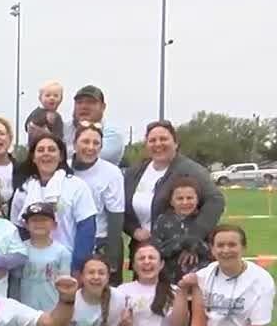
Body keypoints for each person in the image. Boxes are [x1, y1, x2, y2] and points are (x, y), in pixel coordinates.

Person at [125, 120, 223, 272]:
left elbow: (215, 201)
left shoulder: (190, 170)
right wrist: (133, 230)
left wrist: (193, 238)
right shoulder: (134, 172)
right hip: (145, 254)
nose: (158, 144)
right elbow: (121, 207)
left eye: (163, 139)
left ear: (176, 143)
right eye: (152, 140)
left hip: (181, 258)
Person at [7, 133, 98, 272]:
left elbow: (86, 229)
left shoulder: (77, 186)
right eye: (41, 150)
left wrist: (77, 268)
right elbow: (17, 229)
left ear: (61, 156)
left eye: (51, 149)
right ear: (33, 157)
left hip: (67, 261)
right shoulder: (23, 190)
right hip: (31, 265)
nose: (46, 154)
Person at [16, 202, 72, 326]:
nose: (39, 224)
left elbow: (65, 282)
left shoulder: (61, 252)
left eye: (44, 220)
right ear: (26, 225)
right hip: (26, 308)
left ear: (54, 225)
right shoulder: (20, 250)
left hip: (50, 308)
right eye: (34, 221)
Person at [71, 124, 126, 280]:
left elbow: (116, 216)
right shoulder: (64, 168)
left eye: (96, 143)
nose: (90, 147)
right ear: (75, 144)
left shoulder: (111, 172)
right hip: (69, 239)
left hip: (99, 240)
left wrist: (112, 257)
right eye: (85, 142)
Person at [152, 176, 212, 285]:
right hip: (170, 282)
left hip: (202, 281)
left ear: (197, 199)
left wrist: (194, 245)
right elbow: (157, 251)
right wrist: (182, 242)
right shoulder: (162, 221)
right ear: (171, 201)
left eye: (189, 198)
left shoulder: (205, 221)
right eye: (180, 198)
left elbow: (214, 252)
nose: (185, 202)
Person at [63, 85, 125, 165]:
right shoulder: (63, 129)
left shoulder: (113, 135)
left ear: (103, 107)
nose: (84, 106)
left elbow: (88, 155)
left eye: (90, 102)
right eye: (79, 102)